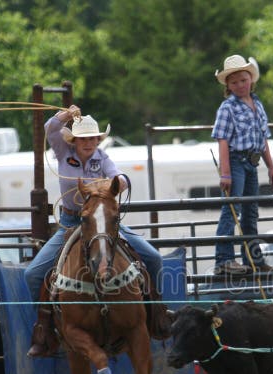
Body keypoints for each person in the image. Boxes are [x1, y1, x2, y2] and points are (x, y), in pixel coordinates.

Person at [24, 106, 169, 357]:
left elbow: (121, 179)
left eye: (93, 138)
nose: (89, 143)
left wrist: (113, 184)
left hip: (102, 222)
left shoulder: (102, 158)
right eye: (84, 138)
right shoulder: (63, 152)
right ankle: (44, 328)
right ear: (74, 140)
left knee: (154, 258)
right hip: (71, 222)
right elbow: (50, 128)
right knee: (33, 274)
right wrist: (67, 115)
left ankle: (157, 314)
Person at [211, 54, 273, 275]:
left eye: (243, 80)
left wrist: (271, 166)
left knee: (251, 212)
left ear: (251, 80)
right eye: (234, 82)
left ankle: (253, 260)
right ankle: (224, 260)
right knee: (232, 209)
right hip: (236, 162)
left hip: (252, 162)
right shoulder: (227, 107)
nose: (240, 85)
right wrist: (226, 173)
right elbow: (222, 140)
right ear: (228, 86)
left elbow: (263, 138)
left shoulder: (257, 104)